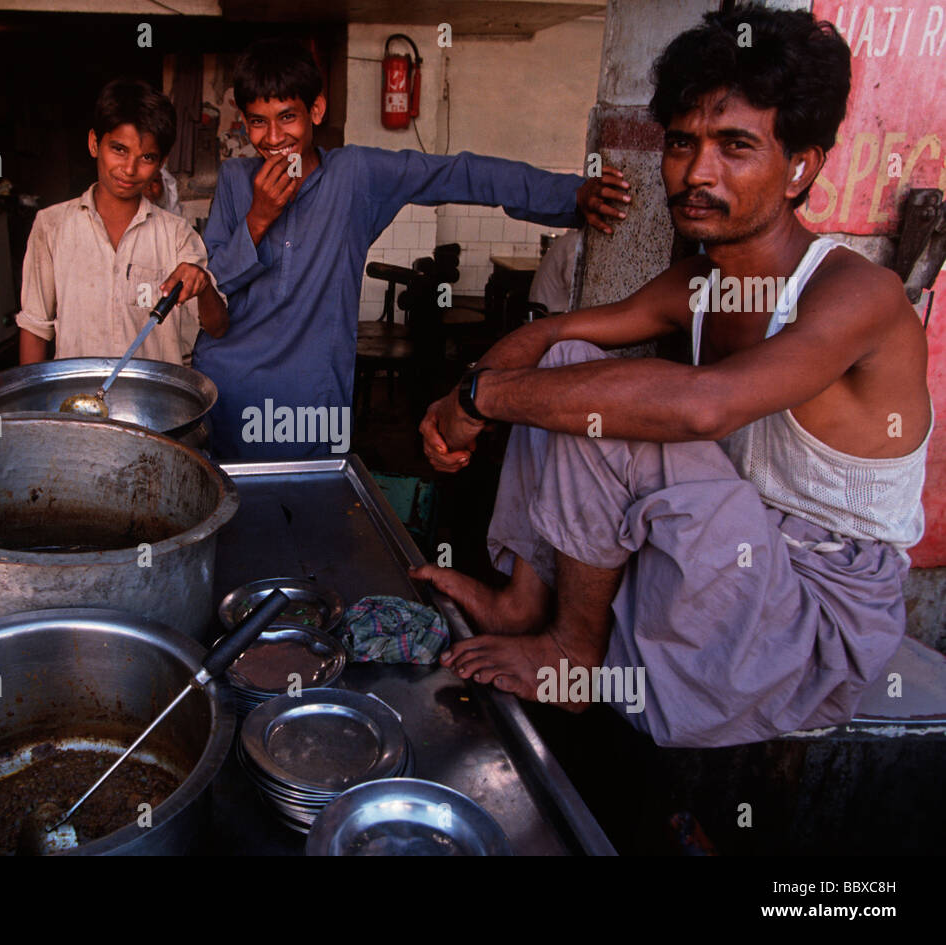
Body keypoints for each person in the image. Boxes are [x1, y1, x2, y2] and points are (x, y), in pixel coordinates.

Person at [410, 5, 932, 748]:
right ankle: (525, 604)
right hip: (728, 570)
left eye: (736, 147)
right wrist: (454, 407)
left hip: (812, 623)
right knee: (568, 369)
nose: (696, 173)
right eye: (683, 143)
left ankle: (575, 655)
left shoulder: (854, 296)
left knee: (619, 412)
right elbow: (551, 333)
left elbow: (701, 408)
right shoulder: (699, 283)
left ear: (802, 167)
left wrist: (479, 398)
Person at [193, 39, 629, 458]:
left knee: (307, 509)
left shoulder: (356, 174)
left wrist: (569, 195)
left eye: (287, 117)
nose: (272, 137)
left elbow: (459, 174)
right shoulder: (236, 181)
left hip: (310, 392)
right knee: (225, 506)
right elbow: (213, 293)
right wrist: (258, 219)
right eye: (256, 121)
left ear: (317, 110)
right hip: (230, 384)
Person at [16, 79, 227, 367]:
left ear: (161, 162)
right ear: (94, 143)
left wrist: (203, 287)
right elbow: (35, 328)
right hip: (76, 406)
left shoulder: (177, 235)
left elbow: (217, 327)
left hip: (155, 404)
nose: (129, 169)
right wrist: (32, 409)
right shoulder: (51, 226)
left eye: (147, 157)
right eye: (118, 149)